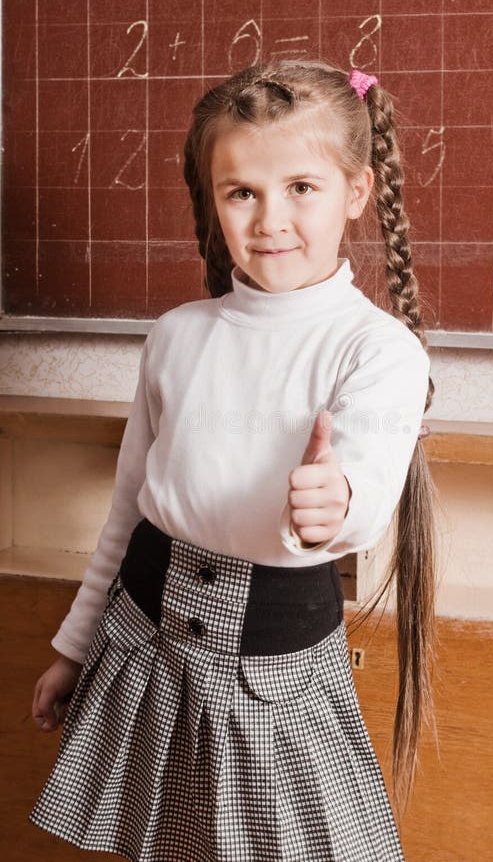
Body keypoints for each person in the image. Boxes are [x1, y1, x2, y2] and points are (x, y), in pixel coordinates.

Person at [29, 60, 437, 861]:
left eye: (302, 188)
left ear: (356, 191)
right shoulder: (178, 334)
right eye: (241, 191)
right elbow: (127, 510)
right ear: (213, 202)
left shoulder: (378, 349)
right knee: (162, 844)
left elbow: (368, 485)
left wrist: (336, 502)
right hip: (143, 644)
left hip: (272, 673)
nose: (269, 218)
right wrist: (76, 646)